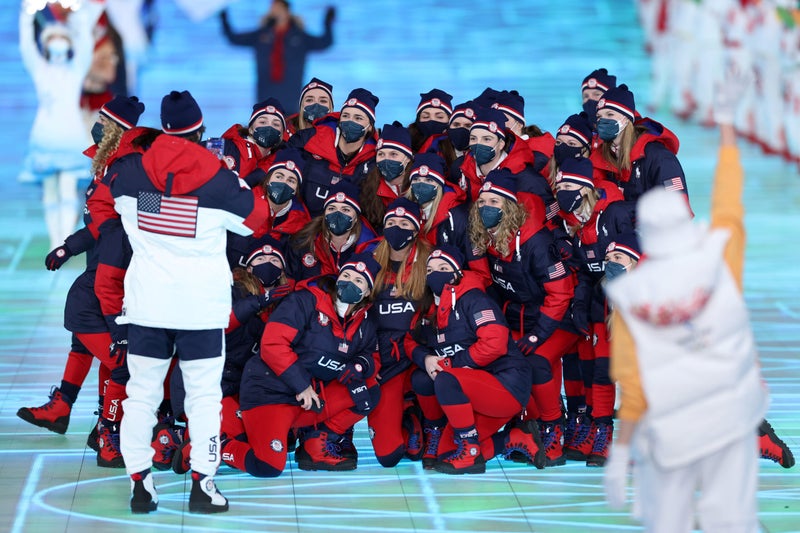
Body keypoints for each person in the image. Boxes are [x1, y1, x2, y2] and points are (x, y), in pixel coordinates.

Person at [603, 117, 769, 531]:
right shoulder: (719, 255)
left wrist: (621, 452)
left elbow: (632, 385)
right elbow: (728, 204)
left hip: (670, 431)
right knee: (732, 521)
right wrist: (728, 133)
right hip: (730, 420)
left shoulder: (628, 295)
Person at [111, 90, 269, 514]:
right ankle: (203, 484)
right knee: (203, 399)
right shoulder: (219, 181)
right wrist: (231, 180)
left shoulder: (130, 175)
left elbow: (122, 201)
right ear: (200, 131)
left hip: (148, 305)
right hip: (199, 309)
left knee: (141, 396)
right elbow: (256, 221)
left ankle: (140, 485)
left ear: (164, 129)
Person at [16, 96, 145, 469]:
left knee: (115, 358)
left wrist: (71, 248)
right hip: (101, 277)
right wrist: (68, 248)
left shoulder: (126, 169)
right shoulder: (108, 165)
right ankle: (81, 417)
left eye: (103, 120)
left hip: (113, 279)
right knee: (100, 350)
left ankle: (100, 425)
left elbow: (120, 223)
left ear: (118, 129)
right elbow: (102, 224)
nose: (95, 125)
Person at [223, 253, 382, 475]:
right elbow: (272, 343)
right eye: (346, 276)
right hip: (271, 391)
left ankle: (314, 443)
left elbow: (371, 357)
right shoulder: (305, 300)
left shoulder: (365, 320)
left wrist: (359, 366)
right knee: (268, 466)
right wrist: (301, 385)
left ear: (366, 292)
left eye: (358, 280)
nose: (350, 282)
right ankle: (218, 446)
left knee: (369, 389)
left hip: (309, 398)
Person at [404, 245, 545, 474]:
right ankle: (513, 438)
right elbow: (409, 341)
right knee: (444, 454)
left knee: (446, 378)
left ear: (457, 273)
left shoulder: (474, 298)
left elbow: (495, 343)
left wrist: (452, 363)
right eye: (430, 270)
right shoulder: (427, 307)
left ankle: (469, 450)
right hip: (473, 389)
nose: (435, 274)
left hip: (504, 384)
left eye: (443, 268)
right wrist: (426, 357)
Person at [467, 169, 573, 466]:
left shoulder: (535, 241)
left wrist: (538, 334)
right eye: (482, 201)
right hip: (519, 317)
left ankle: (553, 428)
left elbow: (561, 293)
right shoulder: (484, 236)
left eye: (495, 201)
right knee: (508, 362)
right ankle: (528, 427)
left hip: (560, 318)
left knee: (536, 361)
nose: (486, 207)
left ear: (510, 206)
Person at [19, 1, 105, 249]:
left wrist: (79, 15)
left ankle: (63, 242)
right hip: (45, 135)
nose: (58, 43)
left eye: (62, 39)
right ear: (46, 44)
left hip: (69, 134)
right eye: (53, 39)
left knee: (68, 188)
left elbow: (85, 44)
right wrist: (26, 15)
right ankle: (54, 241)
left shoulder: (75, 70)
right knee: (50, 190)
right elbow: (26, 46)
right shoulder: (40, 69)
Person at [365, 198, 430, 467]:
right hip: (385, 359)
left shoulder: (430, 259)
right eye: (391, 222)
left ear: (416, 229)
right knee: (388, 455)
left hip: (418, 354)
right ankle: (407, 411)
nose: (397, 227)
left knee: (419, 452)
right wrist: (370, 361)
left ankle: (422, 413)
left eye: (404, 223)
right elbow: (356, 317)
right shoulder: (369, 258)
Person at [219, 1, 335, 114]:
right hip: (266, 96)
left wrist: (328, 22)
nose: (275, 11)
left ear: (287, 11)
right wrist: (223, 16)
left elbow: (325, 42)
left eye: (278, 8)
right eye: (273, 9)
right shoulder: (261, 35)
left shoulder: (299, 36)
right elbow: (233, 38)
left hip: (291, 97)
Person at [590, 84, 690, 208]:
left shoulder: (659, 157)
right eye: (599, 117)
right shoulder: (605, 158)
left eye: (610, 115)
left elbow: (677, 206)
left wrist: (625, 213)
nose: (603, 121)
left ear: (626, 119)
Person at [290, 88, 380, 217]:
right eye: (346, 116)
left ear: (370, 126)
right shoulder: (307, 139)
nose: (350, 121)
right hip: (302, 223)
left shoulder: (375, 160)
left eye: (358, 118)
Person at [358, 123, 413, 232]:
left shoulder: (419, 186)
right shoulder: (367, 188)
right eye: (381, 154)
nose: (386, 159)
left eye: (393, 154)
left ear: (407, 158)